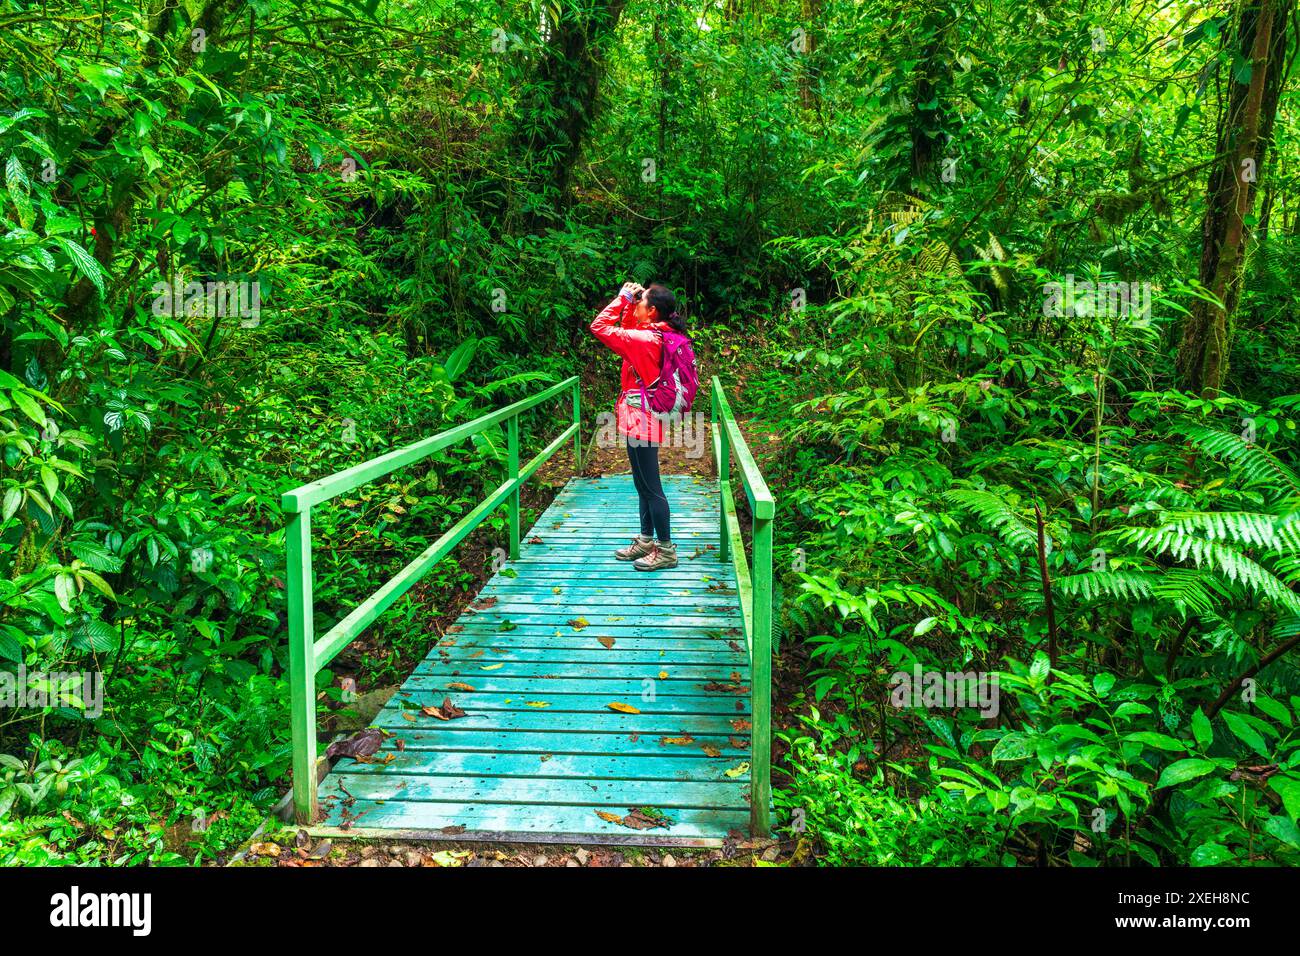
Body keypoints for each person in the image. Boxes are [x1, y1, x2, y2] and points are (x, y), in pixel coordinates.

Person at [588, 281, 686, 571]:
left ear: (653, 311)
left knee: (651, 488)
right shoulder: (654, 333)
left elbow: (600, 327)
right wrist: (632, 303)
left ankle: (666, 550)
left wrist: (620, 300)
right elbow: (629, 329)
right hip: (641, 418)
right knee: (642, 485)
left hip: (643, 421)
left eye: (641, 300)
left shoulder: (645, 340)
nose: (636, 301)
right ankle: (646, 540)